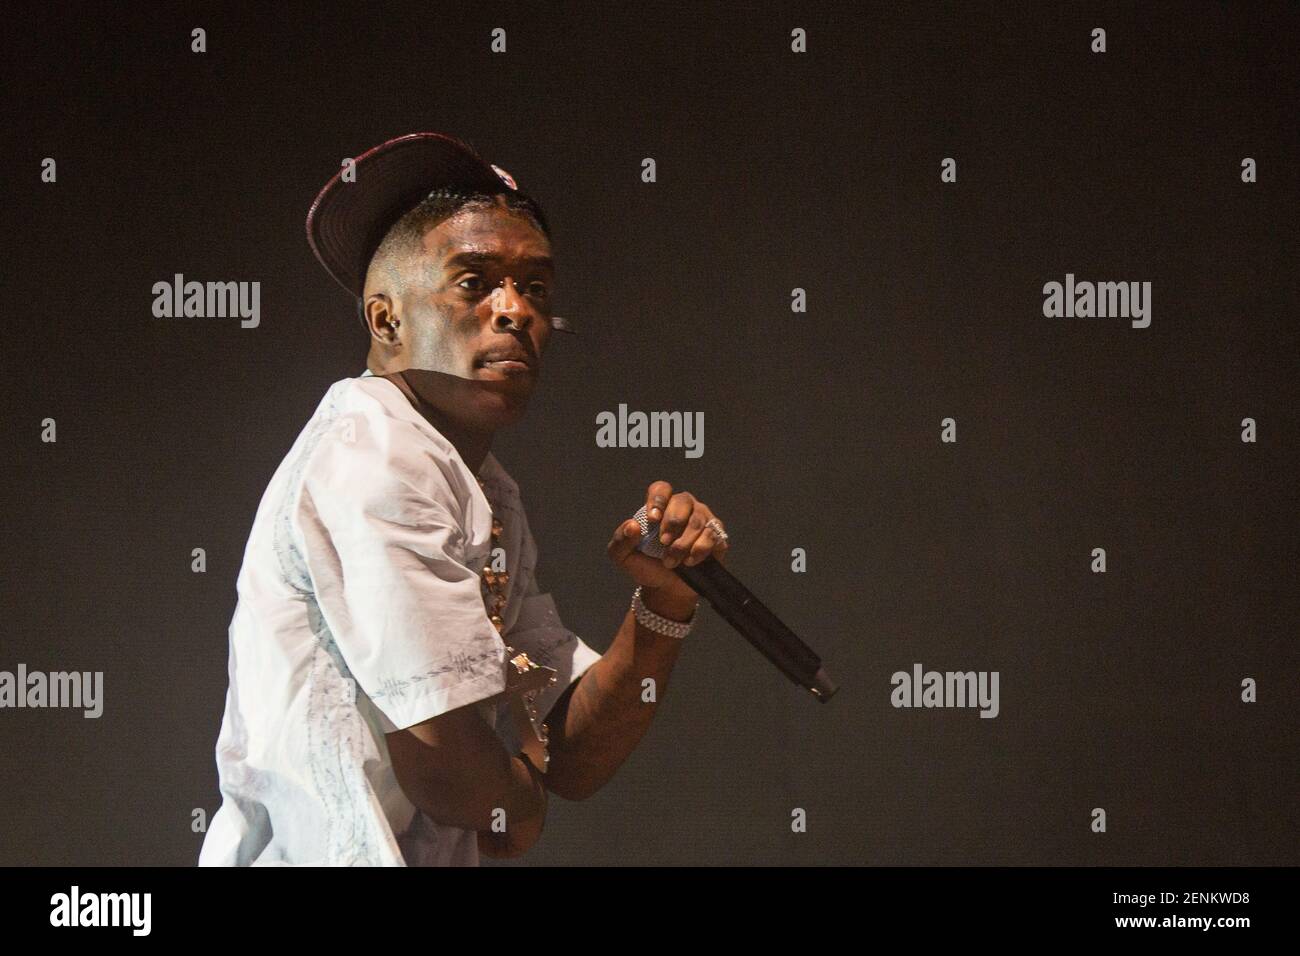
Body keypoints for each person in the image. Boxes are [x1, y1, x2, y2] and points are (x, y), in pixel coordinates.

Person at [199, 132, 732, 865]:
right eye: (474, 283)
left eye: (535, 288)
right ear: (385, 320)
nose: (514, 310)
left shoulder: (480, 484)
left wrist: (664, 606)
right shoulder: (377, 451)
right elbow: (450, 768)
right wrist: (522, 807)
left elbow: (568, 749)